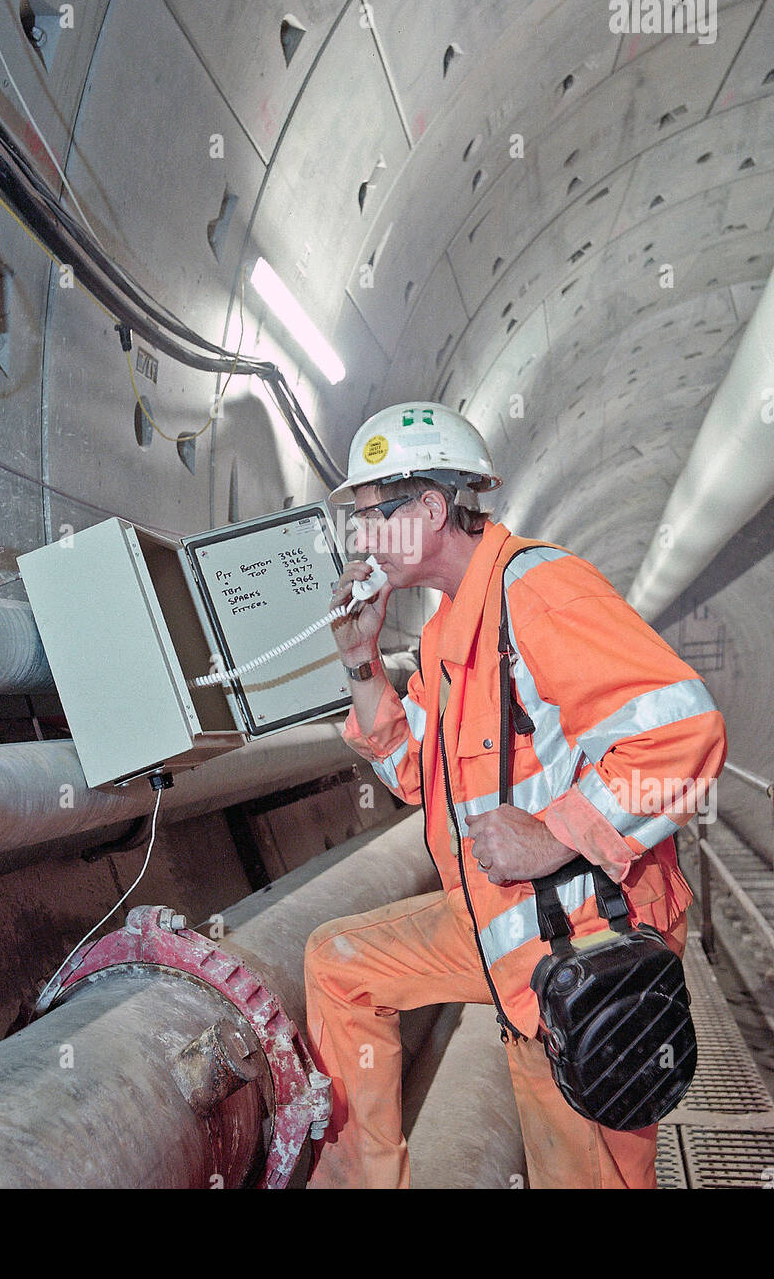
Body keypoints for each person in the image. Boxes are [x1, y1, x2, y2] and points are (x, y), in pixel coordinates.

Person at [303, 401, 726, 1189]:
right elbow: (410, 777)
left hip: (587, 944)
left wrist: (556, 834)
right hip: (503, 921)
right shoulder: (445, 633)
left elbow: (683, 727)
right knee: (340, 965)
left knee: (588, 1171)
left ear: (430, 509)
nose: (360, 540)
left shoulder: (538, 588)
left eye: (370, 517)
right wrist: (362, 664)